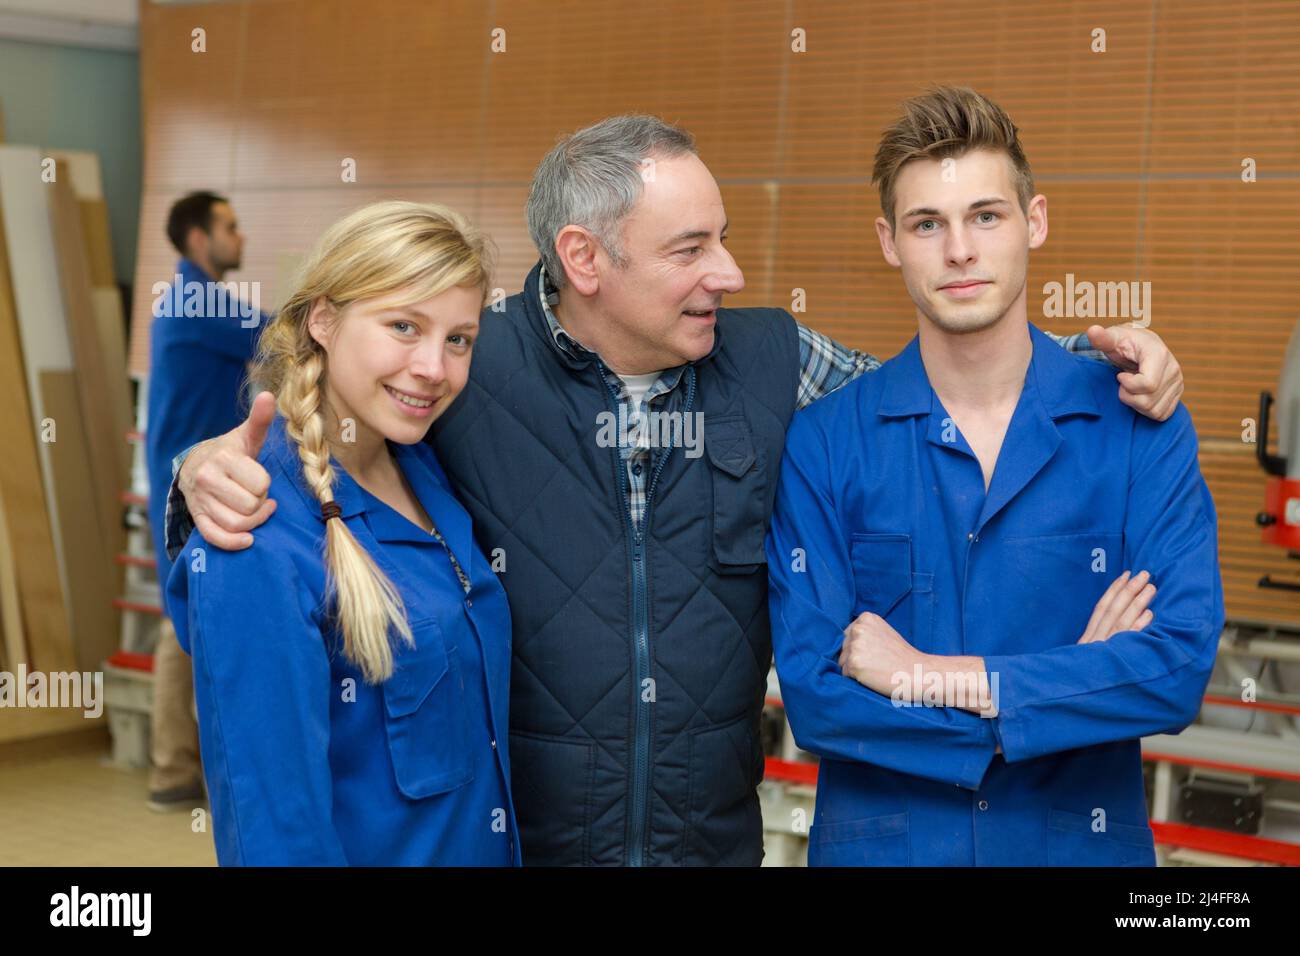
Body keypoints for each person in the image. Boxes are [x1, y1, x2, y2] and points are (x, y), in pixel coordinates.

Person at [162, 116, 1186, 866]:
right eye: (691, 248)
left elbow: (945, 388)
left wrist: (1097, 371)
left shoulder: (777, 364)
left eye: (723, 236)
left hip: (713, 850)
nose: (730, 272)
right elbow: (326, 439)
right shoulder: (473, 374)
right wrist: (196, 469)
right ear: (585, 259)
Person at [765, 87, 1223, 866]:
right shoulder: (825, 442)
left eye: (986, 215)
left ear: (1033, 221)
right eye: (926, 224)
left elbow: (1174, 671)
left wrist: (926, 675)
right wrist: (1069, 686)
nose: (959, 251)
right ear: (889, 241)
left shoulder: (1137, 424)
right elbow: (819, 699)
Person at [163, 201, 518, 865]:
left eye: (459, 339)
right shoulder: (256, 535)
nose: (434, 368)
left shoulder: (430, 474)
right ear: (322, 319)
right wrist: (189, 466)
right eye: (404, 326)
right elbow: (275, 834)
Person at [145, 191, 265, 812]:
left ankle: (174, 768)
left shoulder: (192, 300)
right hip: (189, 487)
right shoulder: (197, 302)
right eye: (229, 226)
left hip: (191, 480)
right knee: (186, 623)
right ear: (198, 239)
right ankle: (174, 770)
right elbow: (275, 333)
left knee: (183, 620)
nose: (239, 237)